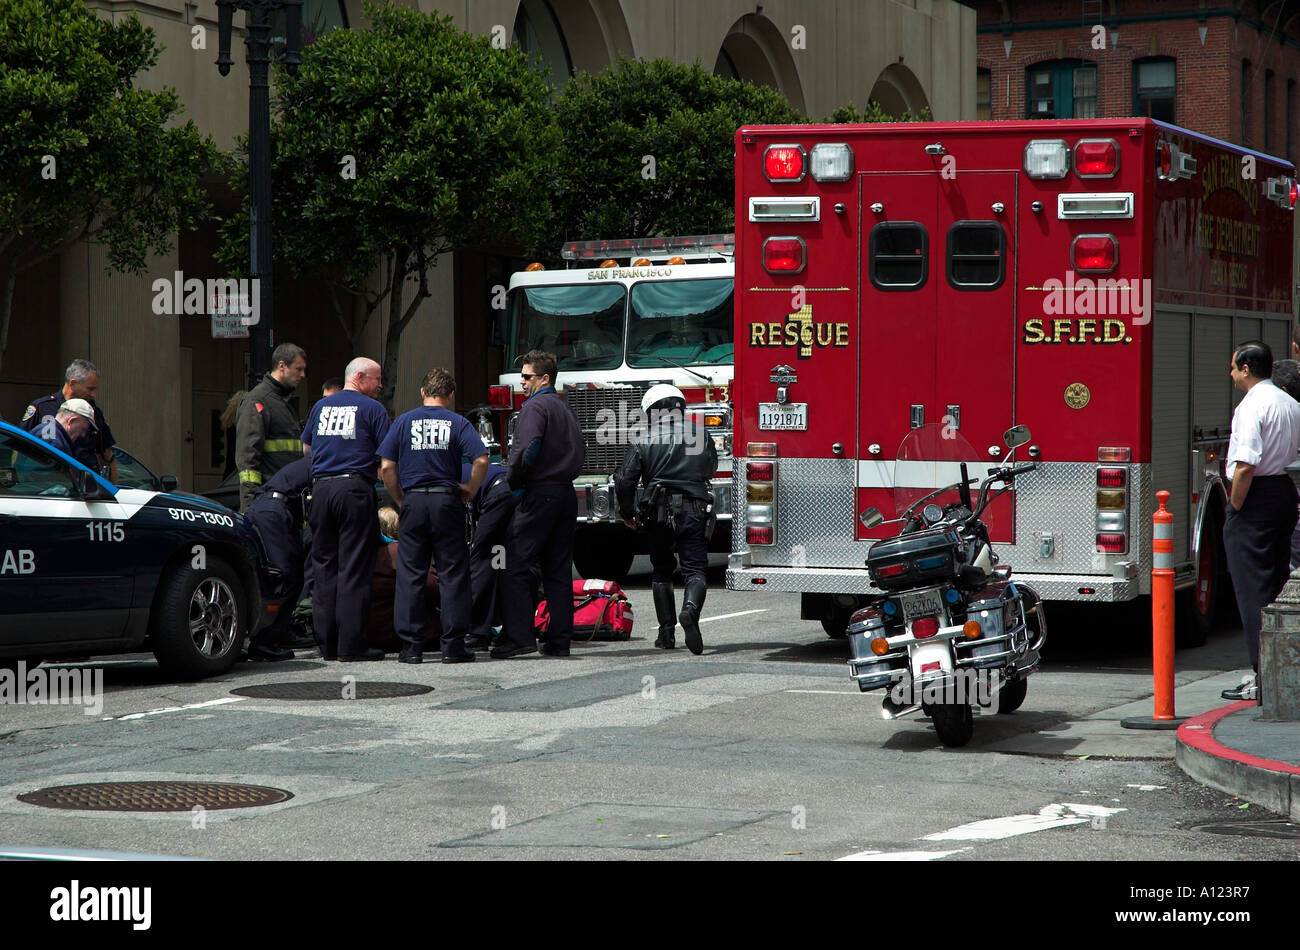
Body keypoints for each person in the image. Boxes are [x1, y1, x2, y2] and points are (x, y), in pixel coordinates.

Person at [378, 368, 488, 664]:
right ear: (450, 395)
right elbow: (480, 459)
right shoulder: (458, 423)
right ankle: (452, 646)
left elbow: (387, 466)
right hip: (446, 500)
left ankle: (411, 647)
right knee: (452, 572)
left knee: (411, 572)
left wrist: (400, 496)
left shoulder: (403, 422)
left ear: (423, 392)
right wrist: (469, 488)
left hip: (413, 502)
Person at [1220, 341, 1300, 702]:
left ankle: (1262, 674)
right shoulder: (1289, 402)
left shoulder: (1252, 406)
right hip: (1283, 490)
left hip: (1258, 496)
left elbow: (1246, 464)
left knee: (1252, 590)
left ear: (1247, 368)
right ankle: (1279, 668)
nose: (1232, 374)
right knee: (1275, 584)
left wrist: (1236, 506)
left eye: (1234, 367)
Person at [494, 351, 585, 658]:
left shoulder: (535, 407)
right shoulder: (565, 409)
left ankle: (519, 638)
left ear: (544, 379)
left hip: (540, 494)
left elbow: (529, 449)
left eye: (527, 377)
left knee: (513, 564)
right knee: (558, 571)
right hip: (565, 495)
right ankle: (559, 641)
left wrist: (516, 482)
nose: (521, 382)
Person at [615, 384, 718, 654]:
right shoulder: (701, 434)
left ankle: (666, 633)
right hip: (694, 509)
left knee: (662, 570)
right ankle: (690, 611)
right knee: (695, 570)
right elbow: (711, 468)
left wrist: (628, 514)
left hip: (658, 513)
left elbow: (625, 480)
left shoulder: (643, 437)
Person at [302, 356, 391, 662]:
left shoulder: (319, 407)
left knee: (324, 567)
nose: (380, 386)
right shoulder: (373, 409)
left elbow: (307, 449)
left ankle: (326, 645)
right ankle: (351, 647)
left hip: (321, 489)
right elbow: (387, 456)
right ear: (360, 377)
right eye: (377, 379)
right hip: (354, 489)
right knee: (353, 568)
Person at [242, 456, 312, 661]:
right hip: (273, 511)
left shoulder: (314, 461)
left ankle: (279, 633)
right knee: (285, 576)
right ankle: (265, 643)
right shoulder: (326, 464)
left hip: (266, 509)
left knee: (288, 575)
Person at [236, 343, 308, 512]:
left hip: (289, 499)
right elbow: (248, 459)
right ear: (282, 366)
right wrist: (250, 506)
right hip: (269, 502)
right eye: (298, 369)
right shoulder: (257, 401)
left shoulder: (283, 401)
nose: (303, 375)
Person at [21, 359, 117, 482]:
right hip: (48, 484)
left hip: (87, 486)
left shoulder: (93, 412)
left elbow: (106, 455)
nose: (93, 395)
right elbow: (20, 446)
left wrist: (113, 490)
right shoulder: (42, 407)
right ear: (73, 384)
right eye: (90, 389)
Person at [463, 458, 515, 650]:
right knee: (499, 560)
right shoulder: (459, 471)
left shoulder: (445, 478)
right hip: (507, 492)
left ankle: (477, 631)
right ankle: (505, 624)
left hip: (497, 494)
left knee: (482, 561)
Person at [39, 400, 102, 471]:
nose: (83, 435)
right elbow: (49, 479)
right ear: (71, 421)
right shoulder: (54, 443)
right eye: (83, 429)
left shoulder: (47, 430)